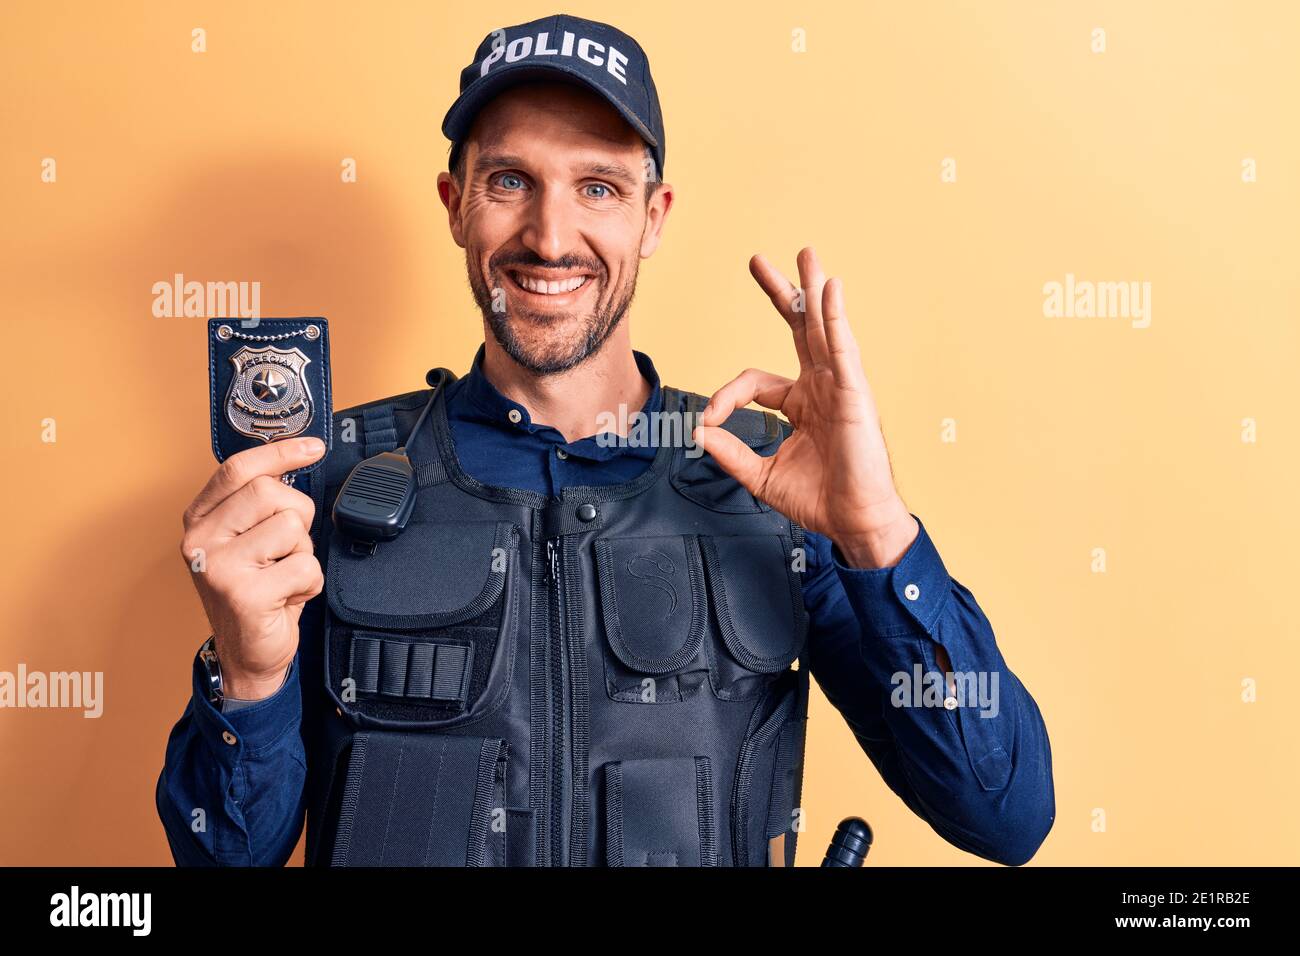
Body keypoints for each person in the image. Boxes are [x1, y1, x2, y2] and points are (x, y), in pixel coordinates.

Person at [157, 13, 1054, 867]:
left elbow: (1005, 810)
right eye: (510, 180)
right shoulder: (322, 481)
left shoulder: (774, 487)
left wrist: (873, 529)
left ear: (653, 216)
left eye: (598, 187)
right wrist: (246, 675)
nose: (551, 238)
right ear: (456, 204)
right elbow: (223, 854)